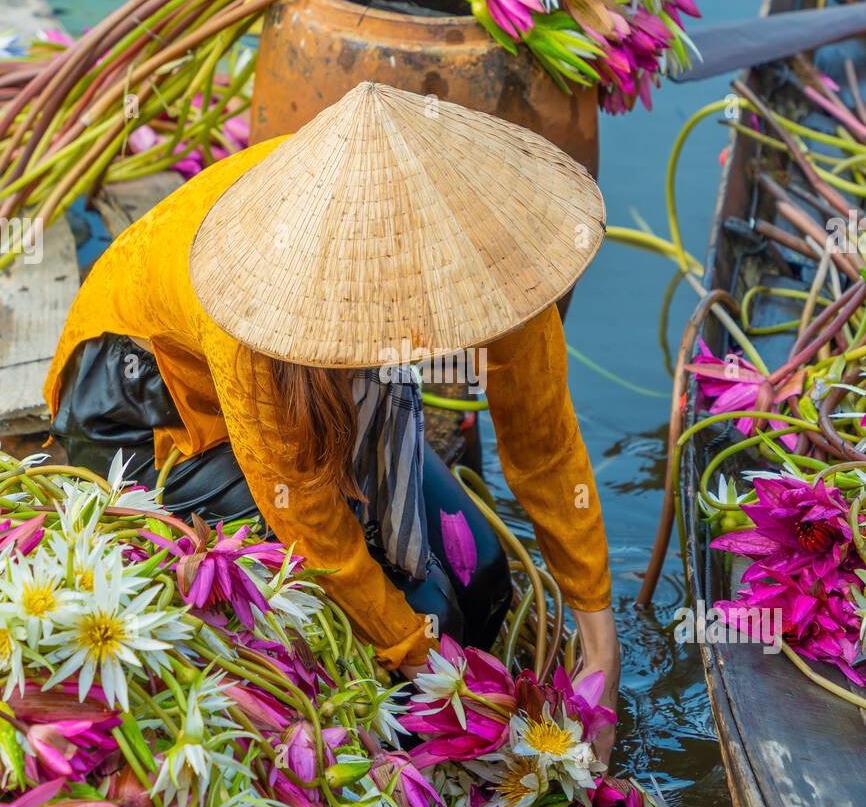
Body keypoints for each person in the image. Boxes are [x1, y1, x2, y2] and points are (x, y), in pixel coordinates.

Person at [46, 82, 620, 757]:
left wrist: (598, 648)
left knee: (483, 573)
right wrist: (423, 665)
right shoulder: (258, 298)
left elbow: (544, 449)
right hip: (144, 402)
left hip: (303, 383)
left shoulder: (490, 252)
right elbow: (309, 521)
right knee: (422, 624)